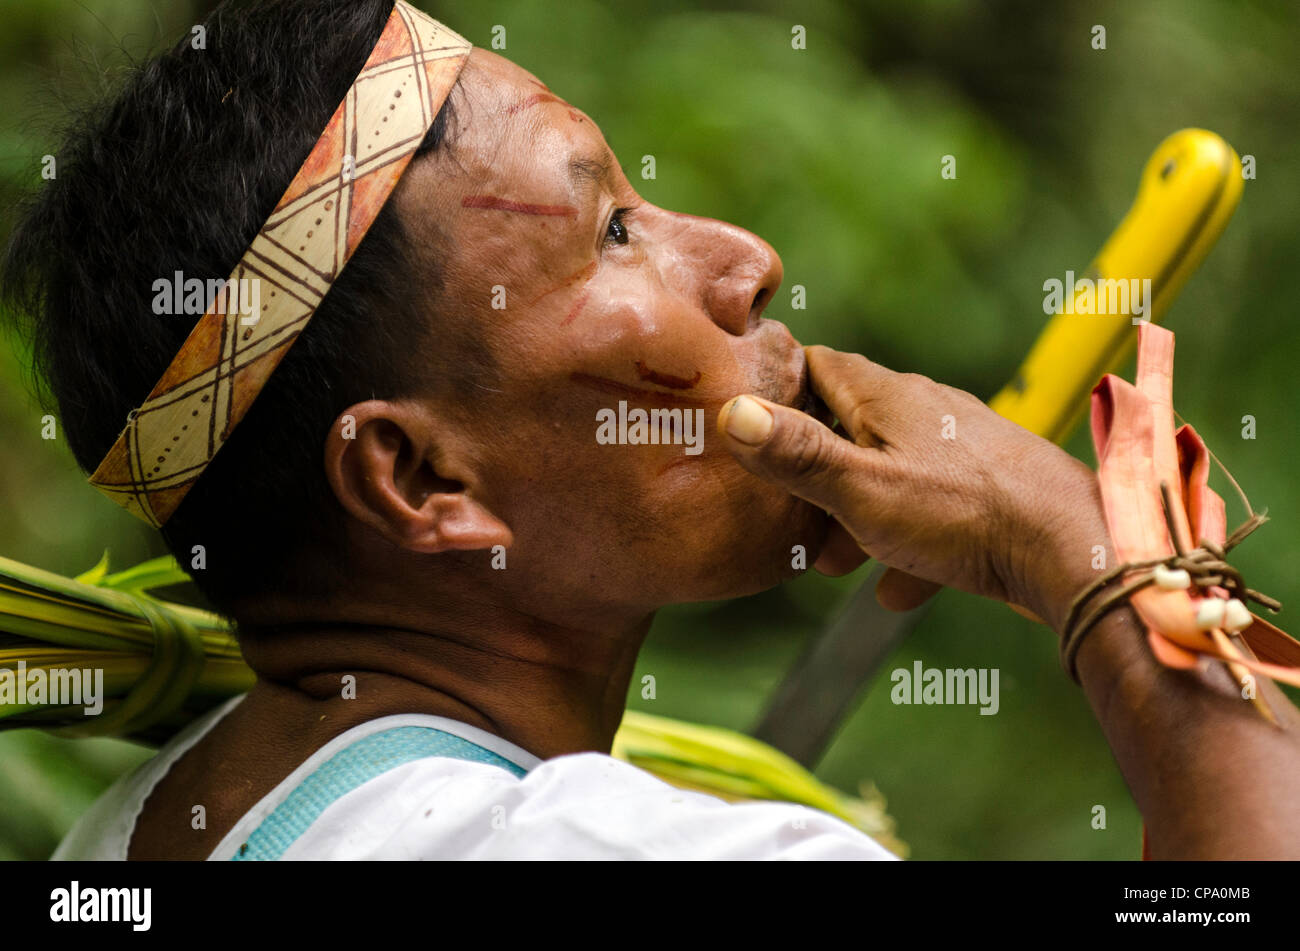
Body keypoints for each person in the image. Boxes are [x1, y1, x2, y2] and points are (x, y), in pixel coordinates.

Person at [4, 0, 1297, 860]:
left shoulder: (127, 838)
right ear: (417, 478)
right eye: (613, 231)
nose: (747, 261)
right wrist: (1084, 548)